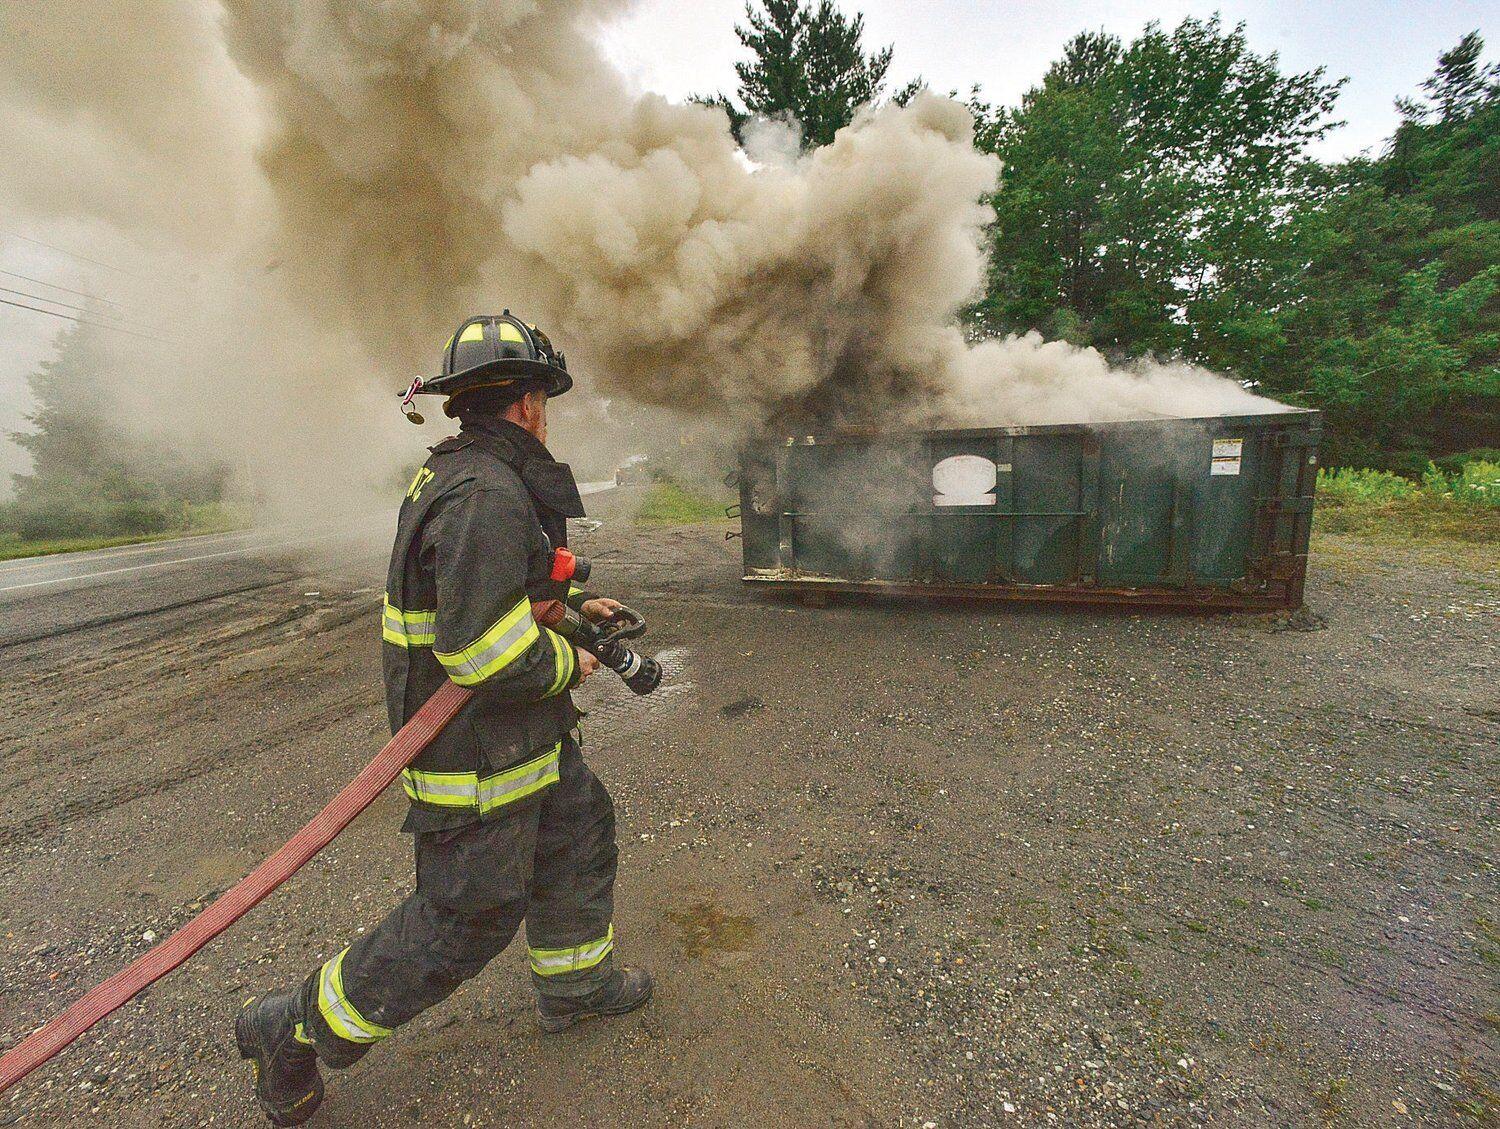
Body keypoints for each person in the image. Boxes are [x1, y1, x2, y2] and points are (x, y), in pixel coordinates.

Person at [235, 313, 651, 1126]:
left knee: (577, 828)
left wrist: (572, 606)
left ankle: (575, 983)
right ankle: (293, 1026)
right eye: (544, 401)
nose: (546, 414)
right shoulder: (483, 493)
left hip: (519, 737)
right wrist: (570, 661)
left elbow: (500, 586)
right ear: (527, 403)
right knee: (464, 918)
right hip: (477, 752)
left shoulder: (472, 473)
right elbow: (478, 649)